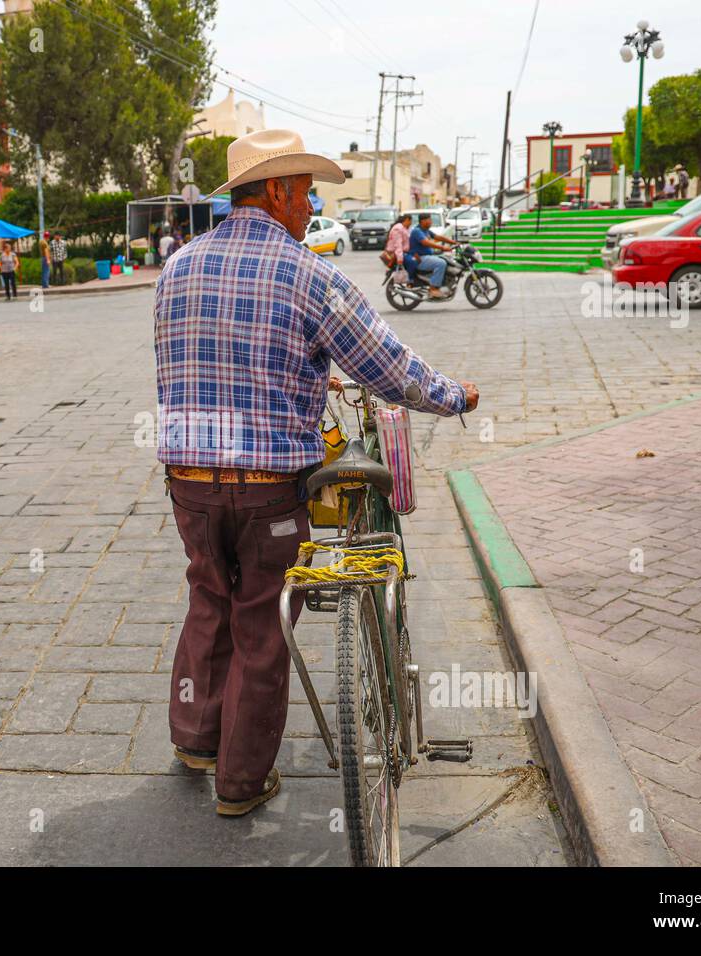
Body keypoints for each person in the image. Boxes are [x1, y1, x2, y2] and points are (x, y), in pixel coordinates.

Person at [154, 128, 478, 817]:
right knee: (261, 622)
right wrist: (454, 396)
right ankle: (239, 784)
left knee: (208, 596)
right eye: (304, 191)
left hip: (186, 478)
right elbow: (388, 368)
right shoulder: (309, 274)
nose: (309, 205)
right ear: (275, 190)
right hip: (269, 485)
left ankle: (195, 739)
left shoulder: (177, 267)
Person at [408, 212, 459, 298]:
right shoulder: (417, 231)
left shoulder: (426, 230)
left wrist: (453, 242)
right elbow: (425, 242)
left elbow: (438, 237)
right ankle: (433, 289)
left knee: (447, 258)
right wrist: (443, 248)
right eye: (429, 220)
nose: (431, 222)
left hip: (427, 256)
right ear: (423, 221)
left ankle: (443, 282)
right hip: (420, 258)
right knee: (441, 263)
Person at [386, 213, 413, 280]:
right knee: (412, 262)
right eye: (411, 221)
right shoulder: (398, 228)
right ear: (407, 220)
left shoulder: (404, 228)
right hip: (398, 254)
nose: (411, 223)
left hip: (405, 252)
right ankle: (411, 280)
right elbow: (398, 245)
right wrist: (400, 258)